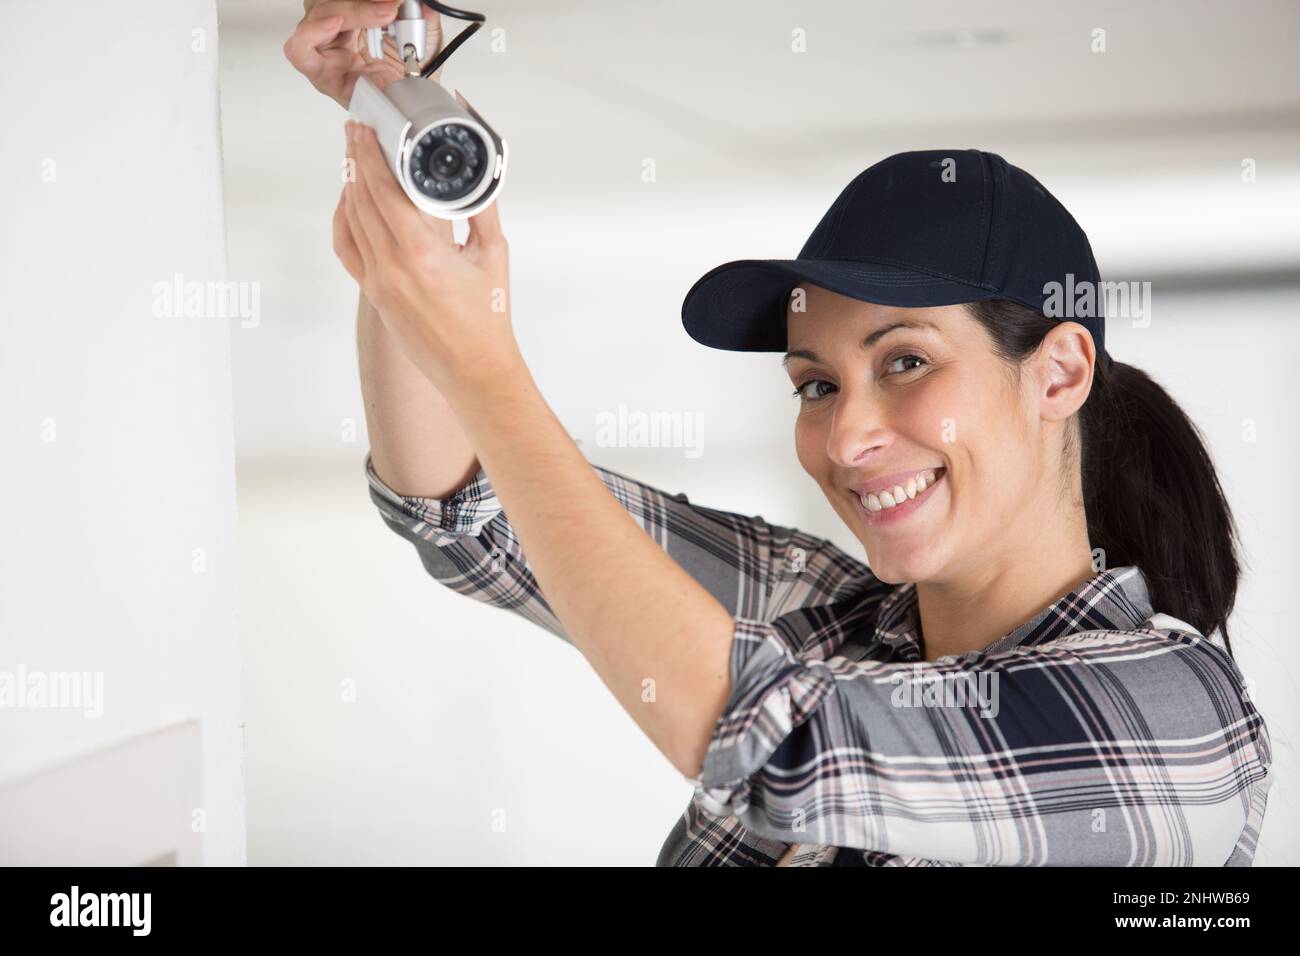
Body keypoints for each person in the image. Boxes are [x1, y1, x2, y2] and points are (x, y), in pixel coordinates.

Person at [284, 1, 1273, 866]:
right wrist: (396, 137)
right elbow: (464, 508)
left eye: (904, 362)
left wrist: (483, 363)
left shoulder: (1179, 721)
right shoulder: (826, 614)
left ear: (1058, 372)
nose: (846, 437)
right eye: (814, 383)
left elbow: (774, 741)